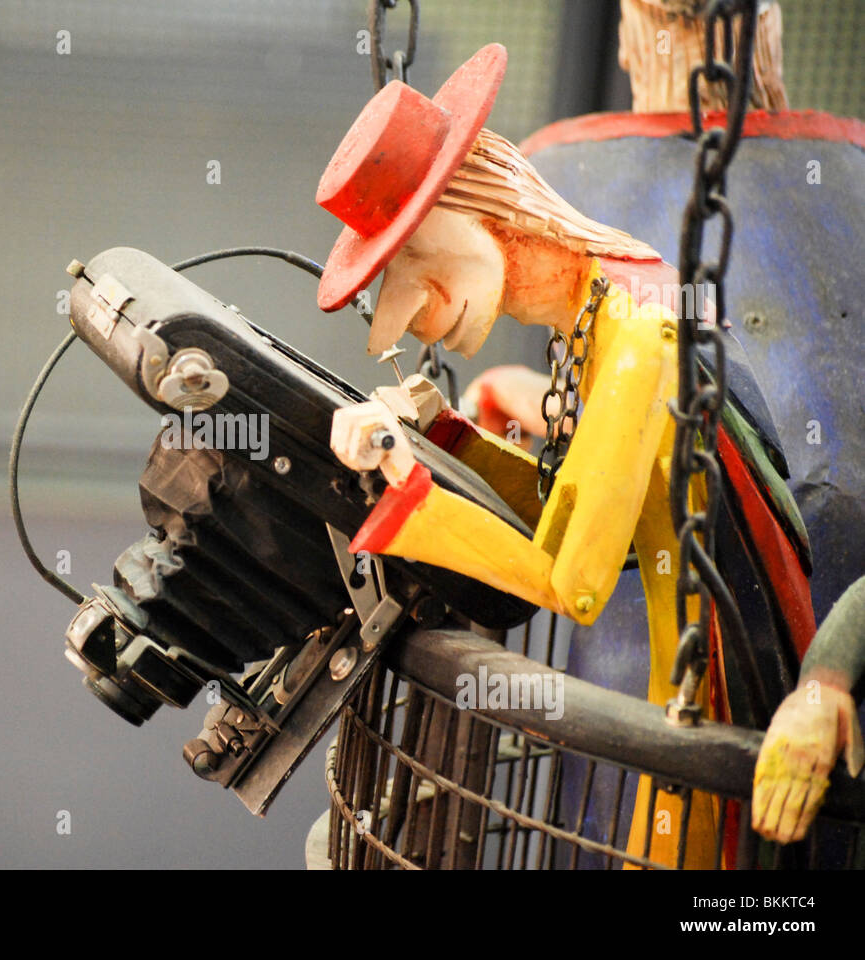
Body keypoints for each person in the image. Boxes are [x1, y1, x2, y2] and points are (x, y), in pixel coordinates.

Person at [317, 43, 822, 867]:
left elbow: (575, 579)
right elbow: (581, 515)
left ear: (485, 208)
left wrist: (408, 495)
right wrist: (443, 438)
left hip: (727, 706)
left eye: (414, 261)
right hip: (696, 702)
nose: (411, 313)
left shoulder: (635, 339)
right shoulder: (606, 312)